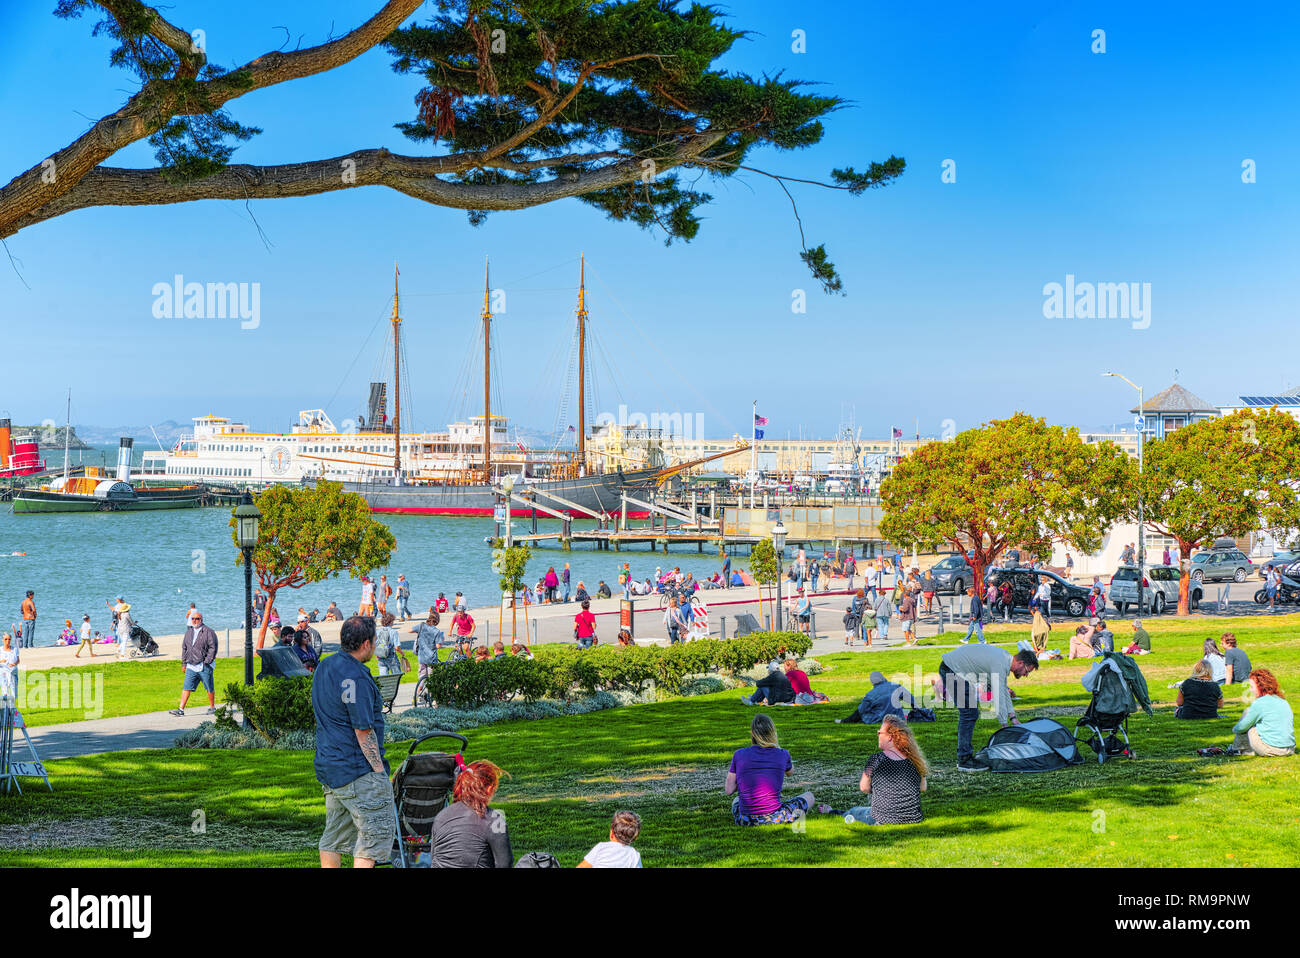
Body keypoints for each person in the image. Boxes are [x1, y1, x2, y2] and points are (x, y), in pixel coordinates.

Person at [313, 616, 393, 868]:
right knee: (372, 836)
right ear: (366, 643)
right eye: (374, 641)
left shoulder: (325, 666)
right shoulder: (356, 677)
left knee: (334, 836)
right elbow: (363, 730)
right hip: (358, 770)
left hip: (330, 767)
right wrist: (379, 772)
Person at [936, 644, 1038, 772]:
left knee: (970, 713)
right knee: (969, 714)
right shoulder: (1000, 663)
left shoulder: (1003, 660)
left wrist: (1013, 718)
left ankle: (964, 757)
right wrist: (1004, 724)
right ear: (1020, 663)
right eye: (1027, 671)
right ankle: (964, 760)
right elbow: (999, 696)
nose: (1026, 675)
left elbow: (1003, 691)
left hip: (954, 669)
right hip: (952, 670)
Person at [818, 715, 928, 825]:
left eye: (880, 732)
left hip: (882, 819)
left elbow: (864, 787)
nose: (877, 734)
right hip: (913, 818)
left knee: (854, 811)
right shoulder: (915, 760)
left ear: (890, 737)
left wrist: (881, 791)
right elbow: (923, 788)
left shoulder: (876, 759)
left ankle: (832, 811)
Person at [725, 713, 815, 826]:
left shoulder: (739, 754)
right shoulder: (782, 754)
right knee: (809, 796)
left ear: (752, 733)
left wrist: (745, 777)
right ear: (772, 732)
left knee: (736, 800)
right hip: (774, 817)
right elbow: (790, 772)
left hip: (744, 819)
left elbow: (729, 790)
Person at [429, 759, 513, 867]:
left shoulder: (441, 816)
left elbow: (434, 857)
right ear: (489, 789)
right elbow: (505, 863)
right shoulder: (494, 819)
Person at [1231, 669, 1295, 756]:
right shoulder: (1282, 701)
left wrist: (1235, 729)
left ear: (1261, 687)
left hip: (1271, 749)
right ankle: (1240, 749)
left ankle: (1239, 749)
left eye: (1252, 687)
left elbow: (1241, 728)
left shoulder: (1259, 703)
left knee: (1248, 718)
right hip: (1290, 748)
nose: (1250, 690)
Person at [168, 611, 218, 716]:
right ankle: (181, 710)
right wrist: (184, 664)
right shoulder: (189, 632)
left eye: (197, 619)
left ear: (201, 620)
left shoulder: (209, 632)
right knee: (186, 687)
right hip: (191, 665)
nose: (195, 621)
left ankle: (212, 707)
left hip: (204, 666)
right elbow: (184, 648)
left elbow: (213, 648)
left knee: (209, 687)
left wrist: (207, 662)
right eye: (193, 619)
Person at [837, 670, 914, 724]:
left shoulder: (870, 695)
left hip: (879, 719)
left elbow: (861, 710)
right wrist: (916, 709)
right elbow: (910, 698)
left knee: (863, 713)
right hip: (898, 718)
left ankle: (845, 721)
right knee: (905, 711)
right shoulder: (895, 686)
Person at [411, 610, 445, 680]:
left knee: (422, 676)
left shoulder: (421, 626)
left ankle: (420, 686)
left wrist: (419, 633)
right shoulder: (436, 631)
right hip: (431, 659)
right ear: (437, 620)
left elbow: (410, 630)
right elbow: (438, 646)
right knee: (432, 678)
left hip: (421, 657)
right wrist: (442, 640)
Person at [0, 633, 19, 699]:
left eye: (9, 639)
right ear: (2, 640)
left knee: (14, 693)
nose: (7, 641)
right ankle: (6, 705)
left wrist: (15, 664)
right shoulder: (0, 650)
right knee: (5, 693)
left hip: (13, 672)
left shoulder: (15, 649)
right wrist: (1, 661)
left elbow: (18, 660)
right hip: (3, 673)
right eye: (6, 639)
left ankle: (13, 706)